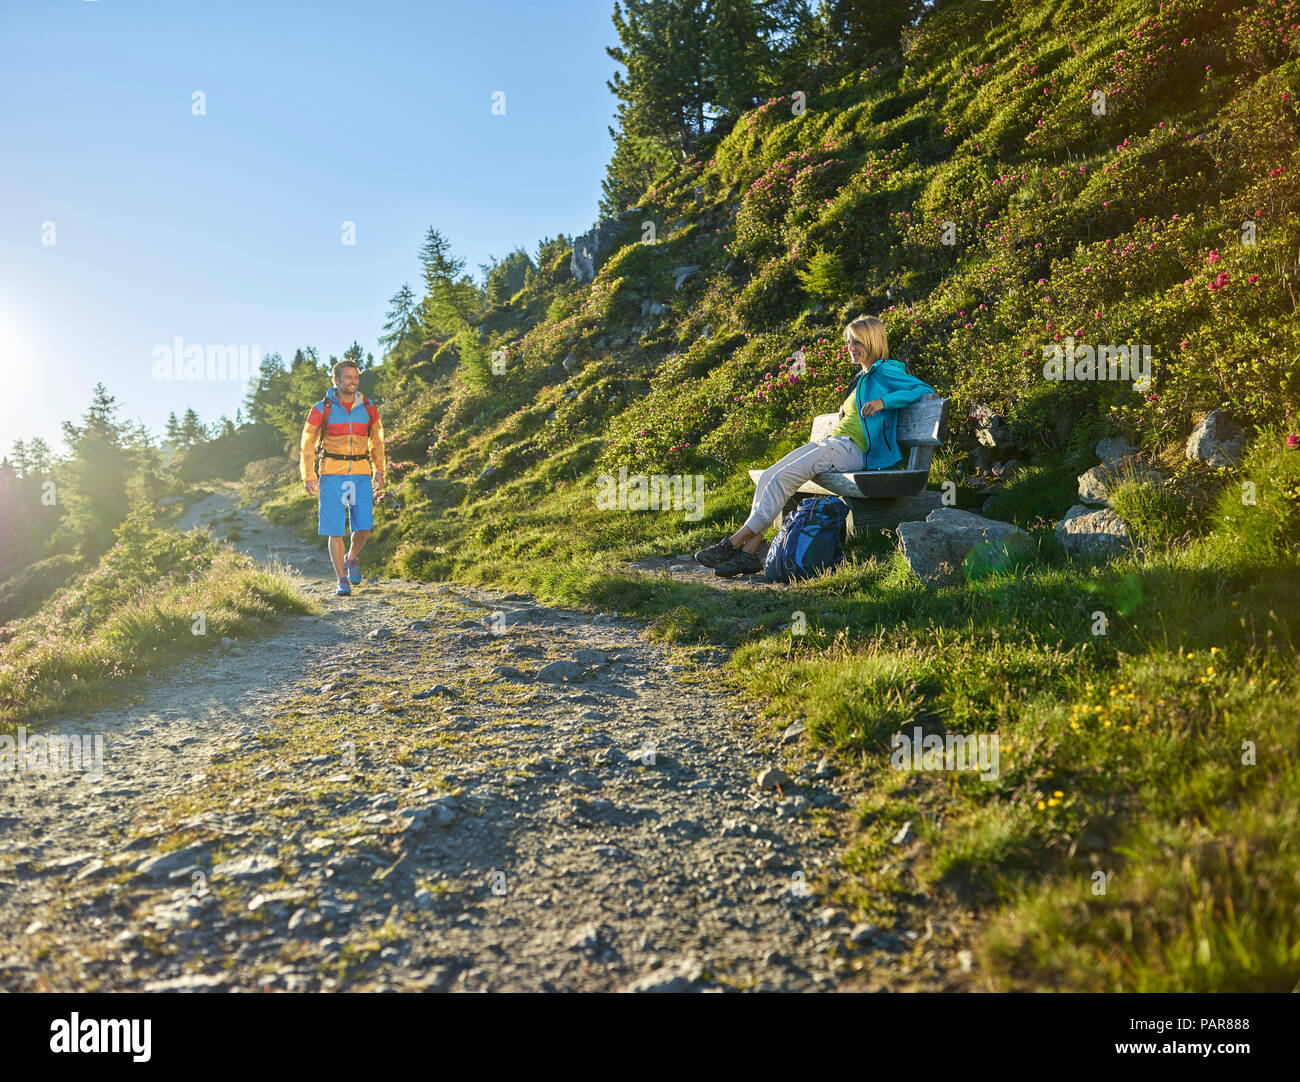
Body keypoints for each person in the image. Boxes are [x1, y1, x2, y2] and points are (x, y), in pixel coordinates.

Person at [696, 315, 935, 577]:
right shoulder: (860, 378)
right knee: (769, 476)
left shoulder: (886, 370)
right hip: (833, 444)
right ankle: (749, 554)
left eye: (858, 342)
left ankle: (731, 544)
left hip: (851, 450)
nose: (851, 347)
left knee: (781, 480)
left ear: (873, 341)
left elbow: (922, 389)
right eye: (849, 342)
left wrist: (883, 402)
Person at [300, 360, 386, 595]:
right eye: (348, 377)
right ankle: (341, 580)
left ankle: (352, 557)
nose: (353, 381)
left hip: (360, 472)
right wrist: (309, 475)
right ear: (336, 380)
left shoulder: (368, 407)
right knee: (335, 529)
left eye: (356, 377)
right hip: (331, 473)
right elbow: (307, 444)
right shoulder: (321, 409)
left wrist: (379, 471)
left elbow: (377, 441)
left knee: (365, 525)